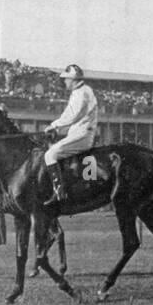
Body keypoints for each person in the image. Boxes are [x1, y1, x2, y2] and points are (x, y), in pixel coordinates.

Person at [43, 64, 98, 206]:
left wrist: (53, 125)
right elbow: (70, 116)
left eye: (66, 79)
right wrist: (56, 128)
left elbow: (72, 116)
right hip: (81, 132)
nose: (64, 82)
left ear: (72, 79)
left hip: (83, 135)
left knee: (50, 155)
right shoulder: (81, 91)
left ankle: (59, 192)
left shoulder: (81, 93)